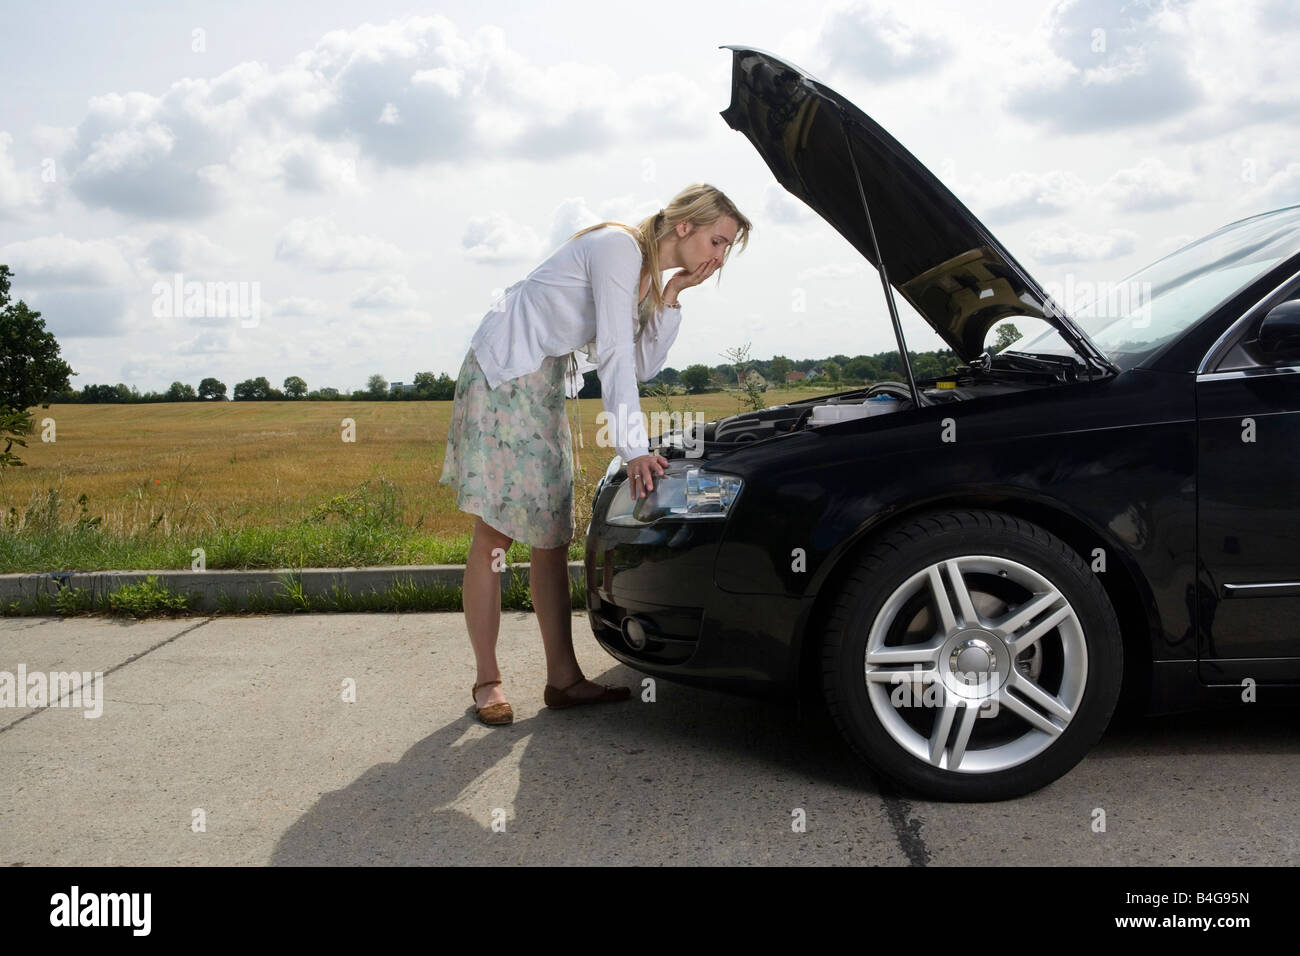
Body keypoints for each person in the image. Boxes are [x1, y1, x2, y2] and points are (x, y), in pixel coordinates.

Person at [439, 182, 752, 725]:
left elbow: (640, 363)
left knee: (551, 534)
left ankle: (562, 679)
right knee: (497, 530)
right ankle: (487, 681)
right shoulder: (618, 250)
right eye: (718, 242)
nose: (719, 258)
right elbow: (612, 355)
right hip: (505, 374)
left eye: (726, 248)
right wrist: (633, 450)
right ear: (685, 227)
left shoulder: (644, 275)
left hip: (541, 380)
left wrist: (672, 295)